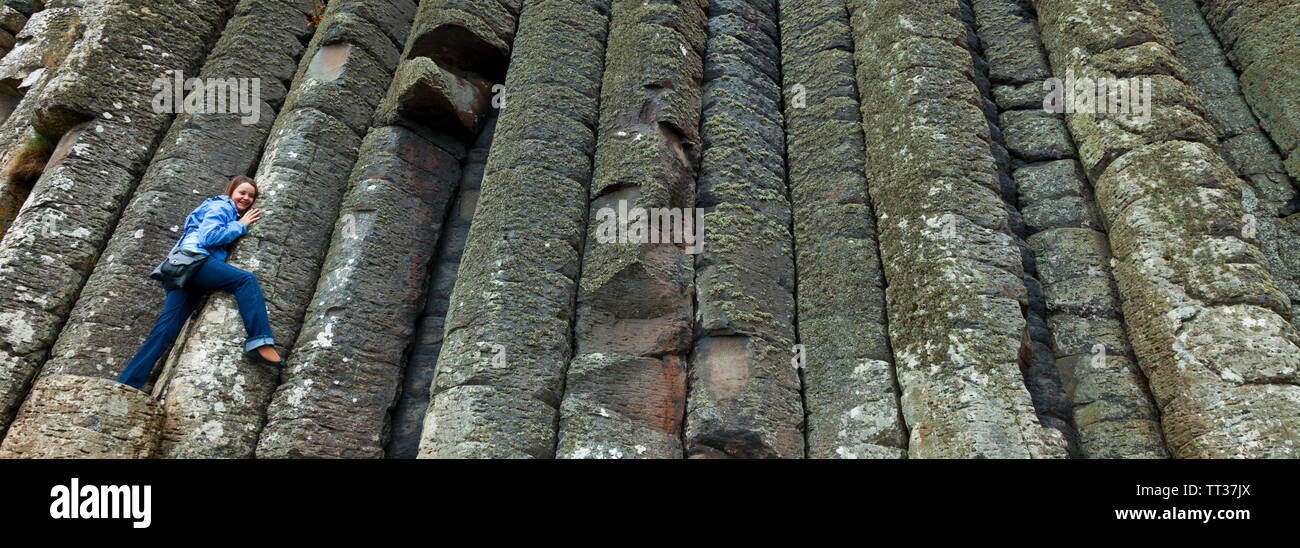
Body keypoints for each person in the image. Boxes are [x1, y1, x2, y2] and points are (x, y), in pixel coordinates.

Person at [118, 175, 283, 389]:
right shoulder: (221, 205)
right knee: (245, 280)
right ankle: (260, 341)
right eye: (242, 192)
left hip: (182, 272)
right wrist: (240, 225)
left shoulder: (221, 209)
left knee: (164, 331)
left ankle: (128, 383)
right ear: (231, 191)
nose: (246, 198)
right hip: (194, 263)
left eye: (251, 196)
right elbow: (209, 237)